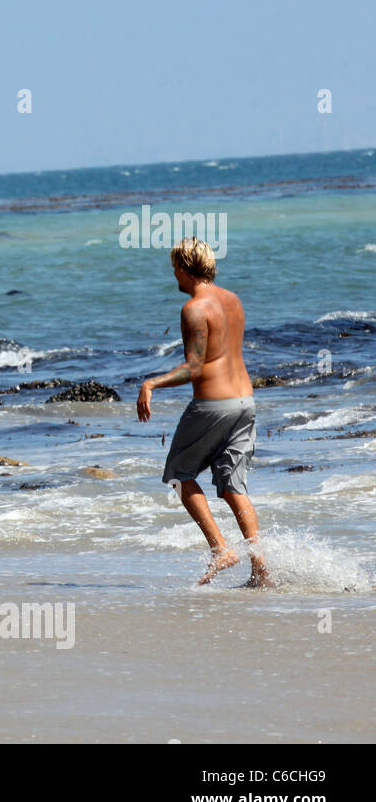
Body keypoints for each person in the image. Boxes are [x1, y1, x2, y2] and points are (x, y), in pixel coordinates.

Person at [137, 237, 271, 587]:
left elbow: (194, 368)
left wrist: (151, 383)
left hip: (213, 406)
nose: (174, 276)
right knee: (232, 486)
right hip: (245, 403)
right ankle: (261, 570)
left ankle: (220, 549)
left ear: (184, 267)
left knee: (178, 474)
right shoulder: (233, 300)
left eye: (174, 268)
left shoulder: (194, 308)